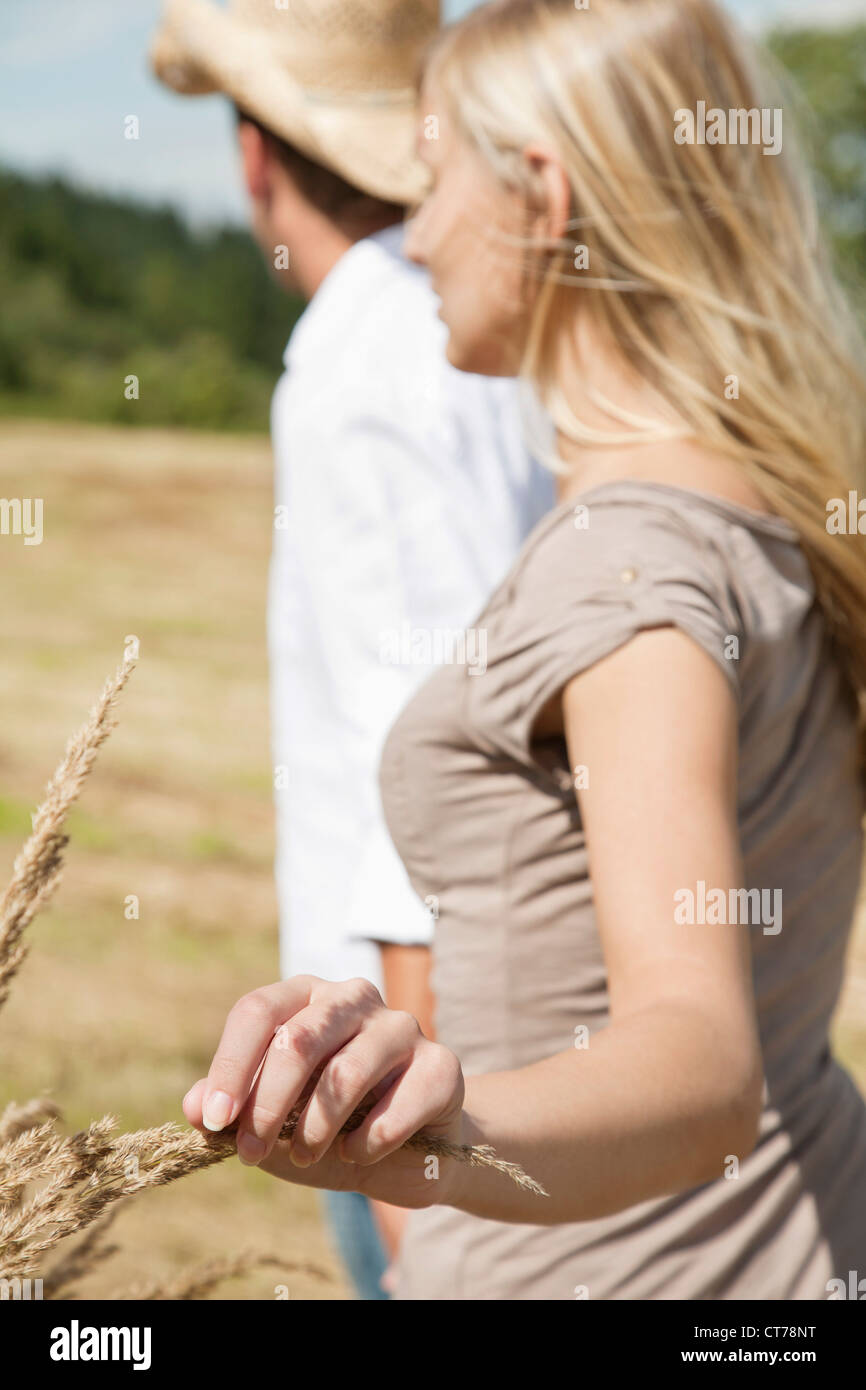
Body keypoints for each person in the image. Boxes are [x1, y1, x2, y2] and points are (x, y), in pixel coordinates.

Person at [180, 0, 866, 1300]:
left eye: (434, 182)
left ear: (540, 198)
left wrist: (427, 1132)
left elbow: (703, 1062)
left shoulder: (627, 571)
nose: (418, 233)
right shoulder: (757, 511)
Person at [149, 0, 553, 1299]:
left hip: (396, 1072)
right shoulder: (461, 330)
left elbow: (423, 757)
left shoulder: (363, 364)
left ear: (256, 152)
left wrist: (407, 1175)